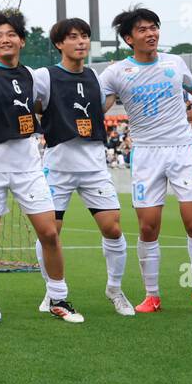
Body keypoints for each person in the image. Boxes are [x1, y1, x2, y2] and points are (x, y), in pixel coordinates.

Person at [100, 7, 192, 315]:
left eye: (154, 27)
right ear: (129, 38)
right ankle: (152, 295)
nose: (151, 33)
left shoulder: (175, 62)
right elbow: (98, 106)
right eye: (143, 29)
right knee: (148, 228)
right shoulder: (116, 73)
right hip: (146, 153)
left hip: (182, 149)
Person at [0, 10, 80, 322]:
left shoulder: (34, 75)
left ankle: (58, 297)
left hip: (29, 167)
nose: (5, 39)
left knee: (49, 233)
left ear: (22, 40)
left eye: (11, 34)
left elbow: (42, 106)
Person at [31, 18, 135, 316]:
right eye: (73, 37)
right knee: (50, 233)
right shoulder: (44, 76)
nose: (81, 42)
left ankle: (115, 289)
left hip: (93, 166)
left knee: (112, 228)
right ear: (59, 44)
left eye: (85, 36)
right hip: (58, 166)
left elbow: (100, 106)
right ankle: (52, 292)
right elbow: (32, 102)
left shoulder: (95, 77)